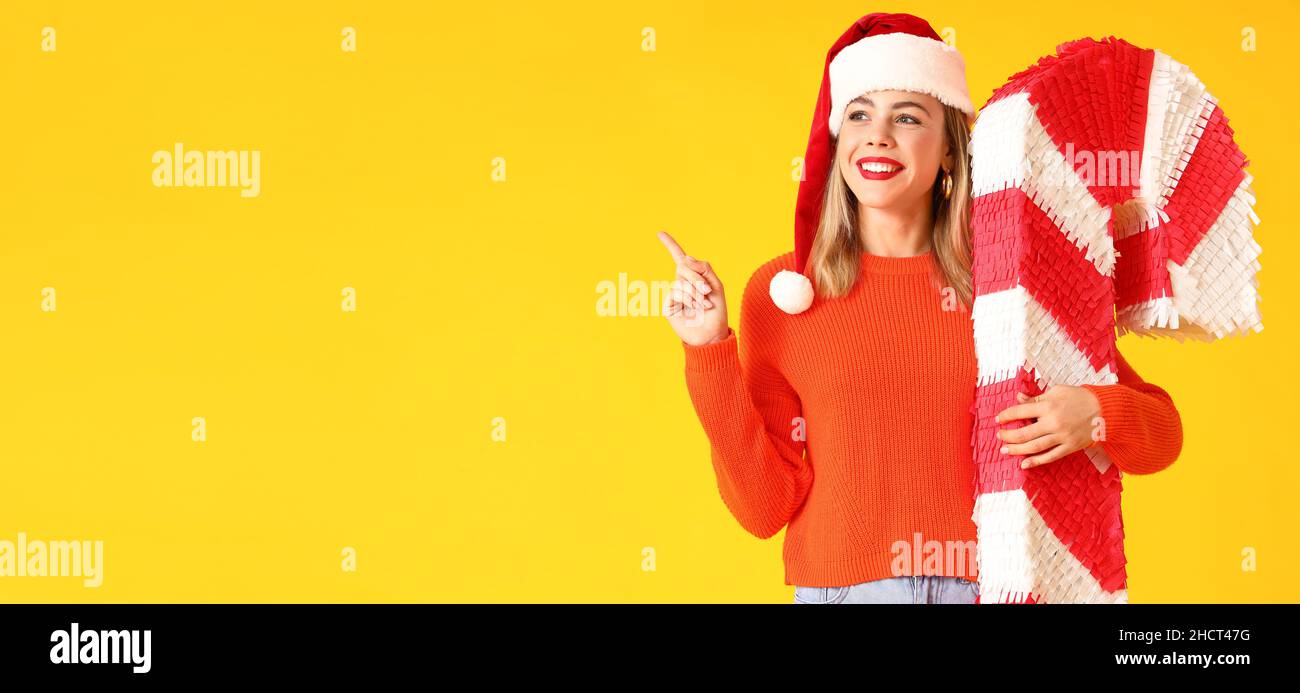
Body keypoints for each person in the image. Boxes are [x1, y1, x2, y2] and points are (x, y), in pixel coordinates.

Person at [657, 12, 1183, 604]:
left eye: (908, 117)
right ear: (839, 142)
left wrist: (1094, 411)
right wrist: (707, 349)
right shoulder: (783, 294)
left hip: (994, 587)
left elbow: (1163, 433)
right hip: (847, 593)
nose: (878, 135)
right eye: (859, 114)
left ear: (951, 152)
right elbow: (762, 507)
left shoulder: (1010, 284)